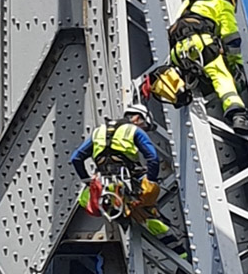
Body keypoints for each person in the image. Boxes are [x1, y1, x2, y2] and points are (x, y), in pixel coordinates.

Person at [71, 105, 185, 255]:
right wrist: (150, 182)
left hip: (104, 191)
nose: (144, 128)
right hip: (128, 186)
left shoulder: (98, 132)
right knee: (152, 219)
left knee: (105, 205)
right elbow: (152, 159)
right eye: (144, 124)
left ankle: (124, 218)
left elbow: (76, 158)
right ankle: (180, 254)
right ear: (137, 118)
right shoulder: (134, 130)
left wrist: (88, 182)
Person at [168, 0, 248, 136]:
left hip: (178, 52)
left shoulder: (191, 3)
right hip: (201, 44)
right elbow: (231, 37)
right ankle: (238, 116)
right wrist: (234, 64)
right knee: (222, 77)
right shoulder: (222, 3)